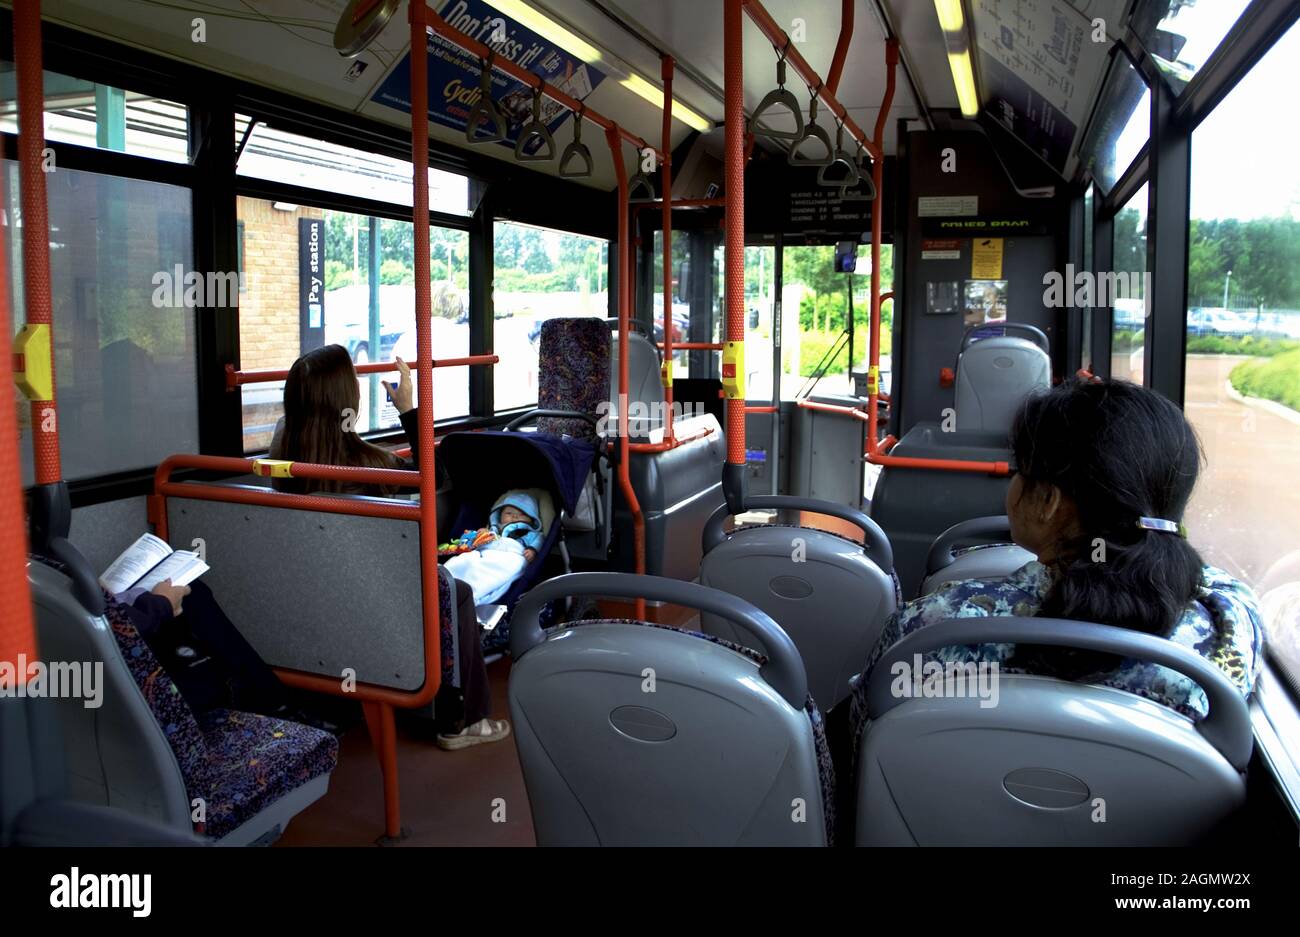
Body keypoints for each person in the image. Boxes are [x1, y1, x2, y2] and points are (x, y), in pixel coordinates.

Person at [845, 377, 1264, 752]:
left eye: (1017, 470)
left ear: (1048, 502)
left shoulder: (928, 633)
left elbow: (859, 747)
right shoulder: (1228, 627)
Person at [273, 344, 510, 751]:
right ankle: (464, 721)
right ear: (347, 401)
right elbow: (433, 480)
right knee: (456, 592)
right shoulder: (372, 463)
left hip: (312, 589)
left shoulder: (281, 456)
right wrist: (408, 409)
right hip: (374, 595)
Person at [442, 491, 546, 605]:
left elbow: (540, 540)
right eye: (509, 513)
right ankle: (444, 577)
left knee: (506, 568)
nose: (515, 516)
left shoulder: (530, 533)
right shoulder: (495, 529)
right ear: (499, 516)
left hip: (514, 555)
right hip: (488, 552)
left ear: (532, 519)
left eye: (523, 514)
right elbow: (480, 541)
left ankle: (471, 591)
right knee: (468, 559)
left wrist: (533, 550)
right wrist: (481, 535)